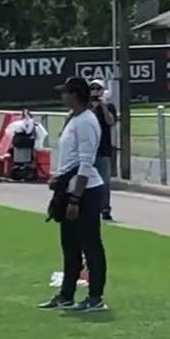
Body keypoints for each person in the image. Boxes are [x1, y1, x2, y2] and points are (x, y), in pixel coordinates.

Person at [40, 77, 107, 313]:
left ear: (76, 95)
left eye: (66, 93)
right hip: (69, 189)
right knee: (70, 246)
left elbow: (86, 163)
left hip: (86, 191)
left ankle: (95, 296)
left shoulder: (86, 122)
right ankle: (66, 294)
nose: (62, 97)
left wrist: (76, 198)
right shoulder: (74, 119)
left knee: (90, 245)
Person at [89, 79, 117, 220]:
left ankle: (105, 208)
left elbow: (111, 122)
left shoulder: (109, 106)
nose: (95, 91)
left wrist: (103, 106)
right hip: (88, 151)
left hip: (103, 149)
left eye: (98, 88)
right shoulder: (86, 107)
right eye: (92, 88)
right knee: (86, 180)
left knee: (104, 181)